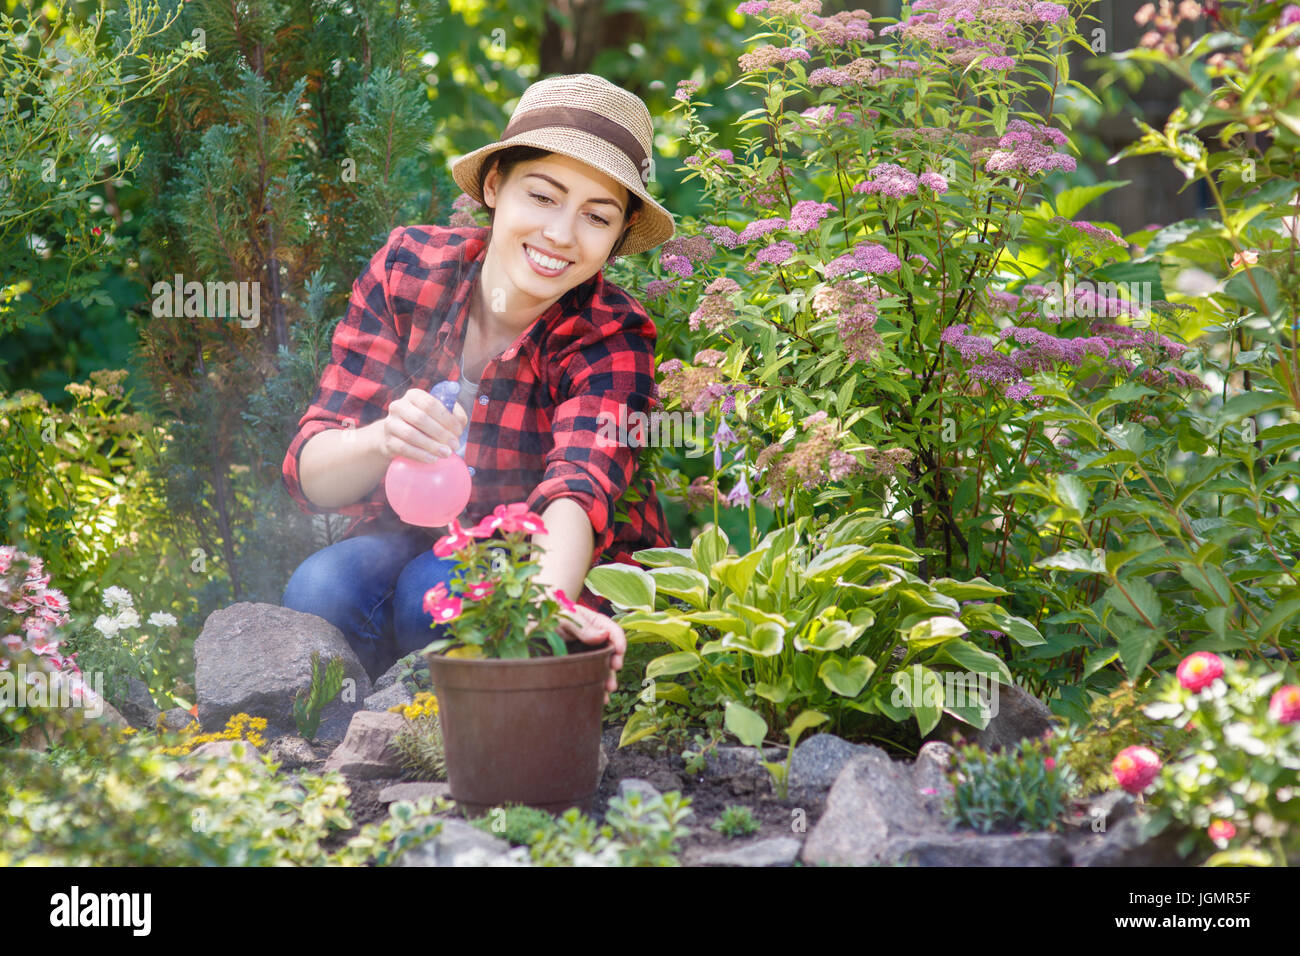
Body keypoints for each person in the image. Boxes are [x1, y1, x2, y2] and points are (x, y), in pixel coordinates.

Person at [280, 74, 676, 698]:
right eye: (543, 197)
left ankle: (458, 730)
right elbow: (314, 473)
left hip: (546, 563)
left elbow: (579, 486)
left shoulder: (610, 333)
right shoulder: (409, 270)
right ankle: (357, 739)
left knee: (429, 600)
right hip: (413, 539)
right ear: (495, 186)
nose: (561, 235)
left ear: (620, 235)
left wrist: (544, 606)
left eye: (596, 217)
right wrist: (385, 439)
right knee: (319, 589)